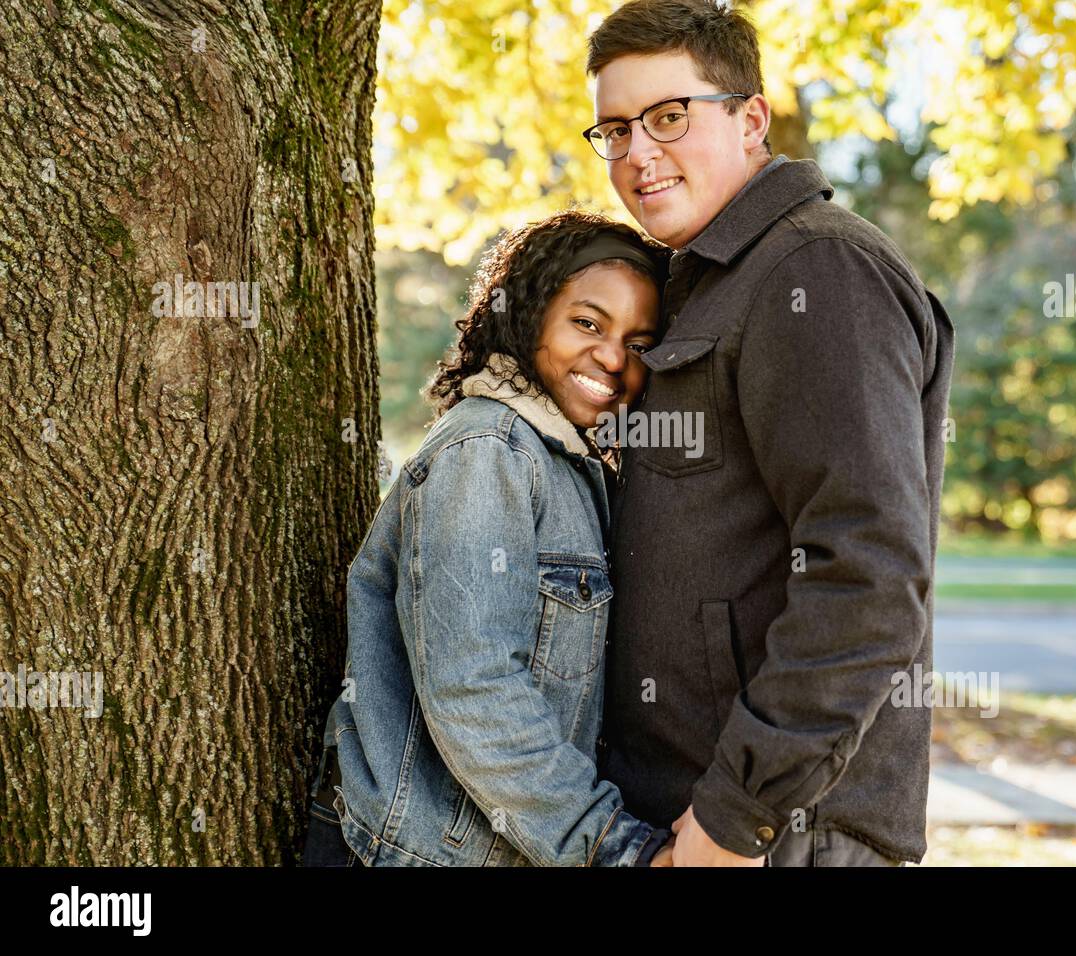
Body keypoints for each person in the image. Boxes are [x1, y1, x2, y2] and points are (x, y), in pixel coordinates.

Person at [584, 0, 956, 867]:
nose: (638, 153)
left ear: (751, 119)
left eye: (669, 116)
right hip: (689, 821)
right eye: (614, 130)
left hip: (782, 836)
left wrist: (738, 811)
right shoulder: (703, 280)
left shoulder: (815, 268)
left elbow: (867, 569)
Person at [302, 210, 676, 866]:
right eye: (587, 323)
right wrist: (614, 848)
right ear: (530, 315)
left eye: (640, 343)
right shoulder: (489, 449)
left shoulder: (576, 466)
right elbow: (471, 684)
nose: (614, 359)